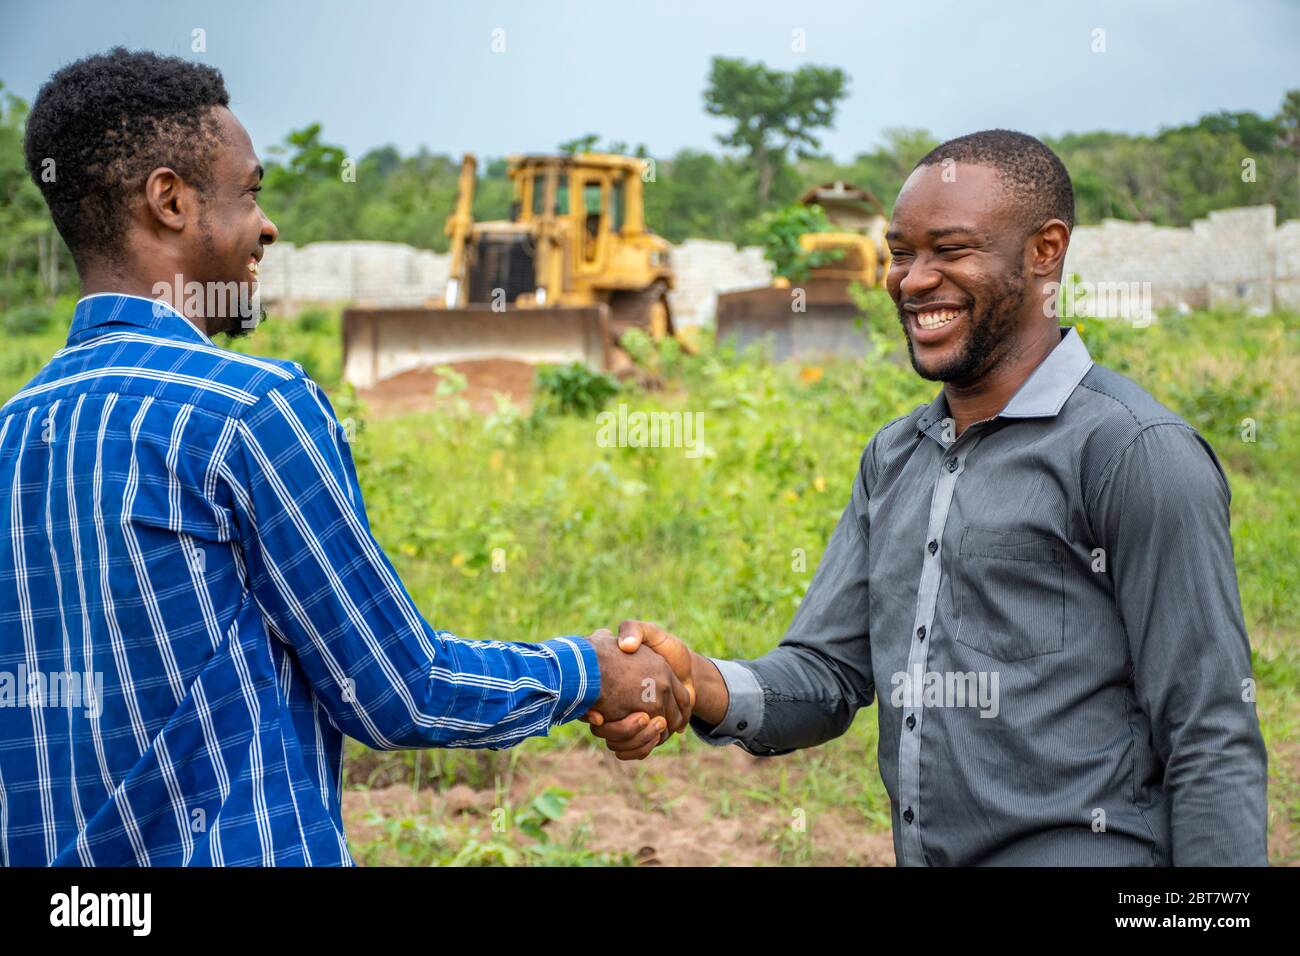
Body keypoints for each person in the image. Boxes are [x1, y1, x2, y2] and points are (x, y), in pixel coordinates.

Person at [0, 47, 691, 867]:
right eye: (250, 192)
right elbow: (398, 689)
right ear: (170, 201)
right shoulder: (249, 411)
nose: (268, 223)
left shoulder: (13, 430)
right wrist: (590, 671)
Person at [588, 130, 1269, 866]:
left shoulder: (1133, 453)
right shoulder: (894, 456)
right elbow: (826, 676)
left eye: (950, 250)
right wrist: (696, 682)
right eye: (902, 253)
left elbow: (1210, 731)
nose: (912, 281)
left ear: (1045, 252)